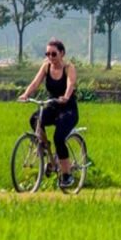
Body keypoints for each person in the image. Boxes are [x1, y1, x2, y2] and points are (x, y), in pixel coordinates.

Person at [18, 38, 79, 187]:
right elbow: (35, 83)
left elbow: (71, 83)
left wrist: (66, 96)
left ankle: (66, 175)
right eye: (48, 54)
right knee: (35, 119)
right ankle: (45, 145)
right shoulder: (46, 67)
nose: (50, 57)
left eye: (54, 54)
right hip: (53, 105)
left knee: (59, 138)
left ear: (62, 53)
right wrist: (26, 94)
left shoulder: (68, 68)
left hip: (68, 109)